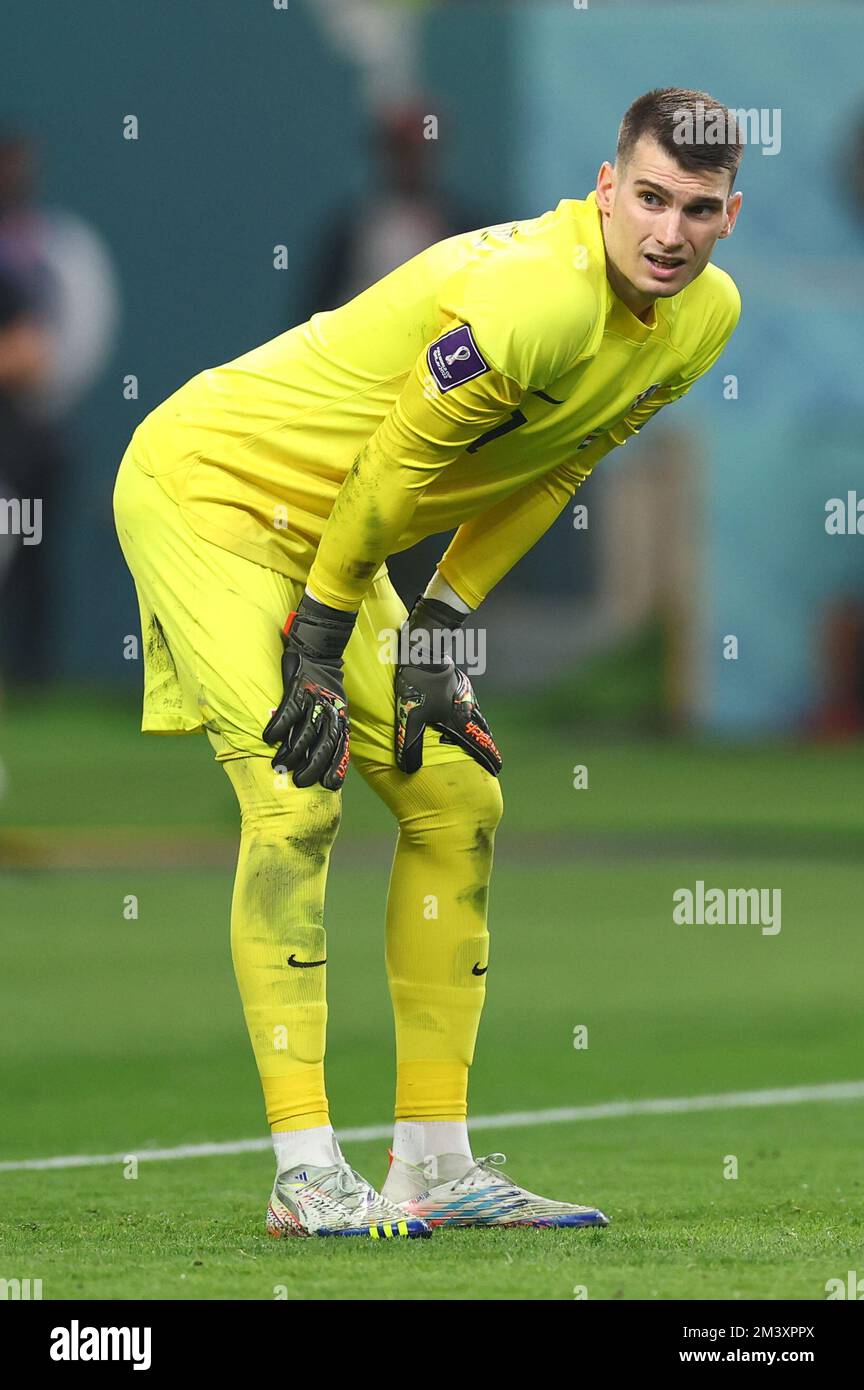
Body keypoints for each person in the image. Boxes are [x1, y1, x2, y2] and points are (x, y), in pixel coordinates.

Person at [113, 87, 742, 1239]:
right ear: (606, 190)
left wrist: (444, 624)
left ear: (727, 216)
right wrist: (316, 644)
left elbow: (553, 465)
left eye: (695, 209)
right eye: (647, 197)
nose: (668, 232)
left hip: (333, 540)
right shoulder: (530, 302)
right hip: (209, 490)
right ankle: (307, 1175)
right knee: (297, 795)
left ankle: (433, 1167)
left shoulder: (703, 320)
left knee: (458, 797)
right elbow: (395, 480)